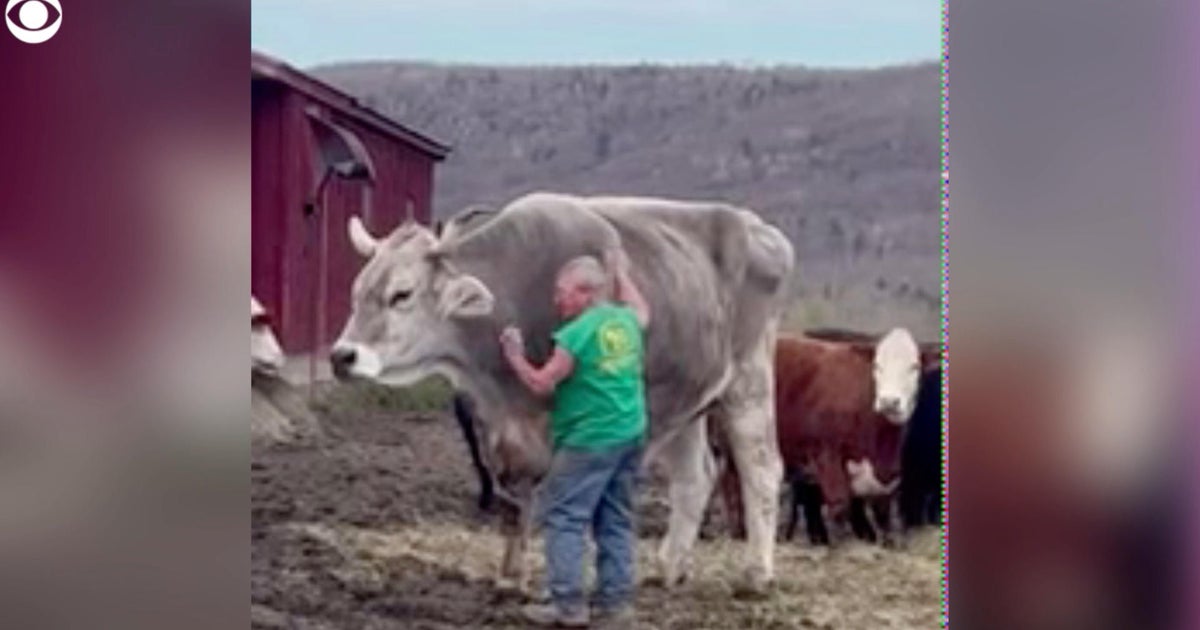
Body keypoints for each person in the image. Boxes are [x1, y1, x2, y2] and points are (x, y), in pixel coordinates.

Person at [499, 248, 651, 628]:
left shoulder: (575, 334)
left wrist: (514, 354)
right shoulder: (624, 321)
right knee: (615, 517)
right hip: (629, 433)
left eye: (561, 291)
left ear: (585, 293)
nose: (556, 299)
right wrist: (621, 271)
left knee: (564, 515)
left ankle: (567, 605)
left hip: (588, 438)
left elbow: (542, 383)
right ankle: (615, 606)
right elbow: (642, 309)